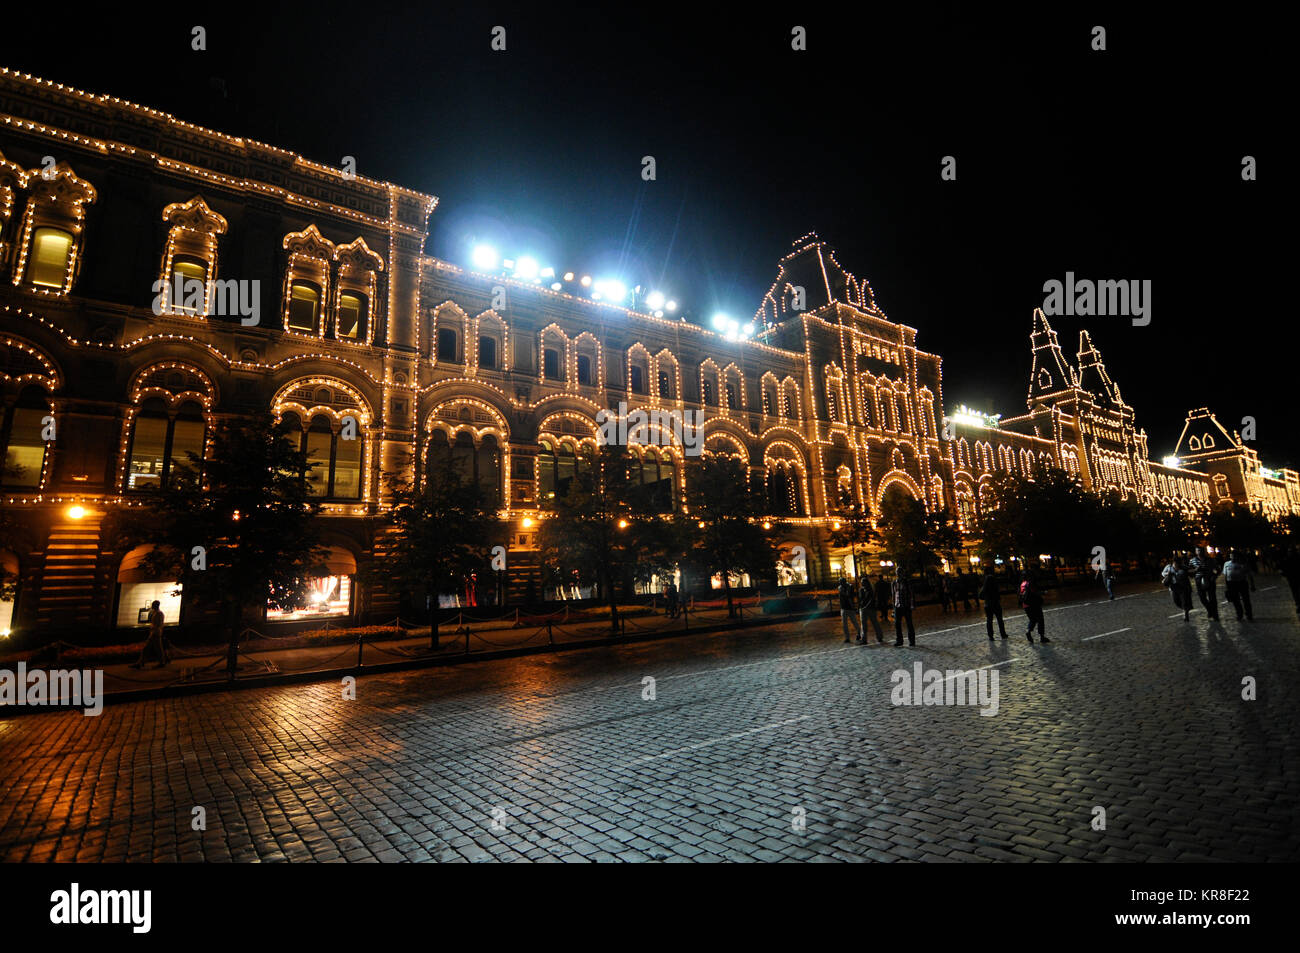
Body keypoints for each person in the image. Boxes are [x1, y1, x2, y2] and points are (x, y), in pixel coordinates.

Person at [131, 600, 169, 669]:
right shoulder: (157, 613)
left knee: (150, 648)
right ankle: (142, 662)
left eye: (153, 604)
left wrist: (153, 629)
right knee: (156, 649)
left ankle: (141, 663)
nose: (152, 606)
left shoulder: (159, 614)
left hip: (155, 633)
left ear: (156, 605)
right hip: (155, 633)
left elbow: (158, 624)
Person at [1222, 551, 1254, 621]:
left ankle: (1249, 615)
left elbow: (1249, 575)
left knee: (1246, 600)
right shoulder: (1226, 564)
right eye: (1231, 556)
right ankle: (1239, 614)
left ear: (1238, 556)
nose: (1232, 558)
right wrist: (1226, 586)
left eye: (1234, 556)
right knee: (1235, 601)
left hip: (1242, 583)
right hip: (1231, 584)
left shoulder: (1243, 564)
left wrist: (1252, 584)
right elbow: (1225, 575)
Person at [1190, 546, 1220, 620]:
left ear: (1204, 551)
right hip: (1199, 580)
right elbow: (1189, 571)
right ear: (1196, 552)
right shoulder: (1192, 560)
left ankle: (1215, 615)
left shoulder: (1210, 560)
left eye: (1201, 550)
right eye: (1198, 550)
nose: (1199, 552)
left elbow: (1217, 569)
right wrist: (1196, 570)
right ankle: (1209, 610)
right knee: (1202, 598)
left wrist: (1214, 576)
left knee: (1212, 598)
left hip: (1209, 579)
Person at [1019, 572, 1049, 644]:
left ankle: (1028, 631)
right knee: (1040, 620)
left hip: (1026, 605)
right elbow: (1035, 593)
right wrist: (1043, 593)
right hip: (1034, 604)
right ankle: (1042, 637)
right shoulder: (1030, 583)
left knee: (1032, 619)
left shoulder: (1022, 584)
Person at [892, 568, 916, 646]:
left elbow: (911, 594)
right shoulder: (894, 583)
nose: (898, 574)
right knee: (897, 624)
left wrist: (912, 605)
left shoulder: (907, 582)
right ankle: (899, 640)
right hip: (897, 605)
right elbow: (893, 595)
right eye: (897, 572)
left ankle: (912, 641)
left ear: (902, 573)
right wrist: (893, 607)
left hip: (906, 605)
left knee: (909, 624)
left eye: (900, 572)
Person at [857, 573, 884, 643]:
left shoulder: (871, 589)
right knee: (863, 624)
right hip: (863, 609)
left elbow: (872, 599)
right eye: (862, 583)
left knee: (875, 622)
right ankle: (864, 639)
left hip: (870, 608)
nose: (862, 584)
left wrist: (866, 606)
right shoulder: (861, 590)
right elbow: (860, 599)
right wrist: (860, 607)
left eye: (863, 583)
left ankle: (879, 637)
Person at [980, 571, 1007, 640]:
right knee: (999, 620)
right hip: (995, 604)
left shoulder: (984, 587)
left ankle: (990, 635)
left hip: (987, 605)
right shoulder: (995, 587)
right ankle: (1003, 634)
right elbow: (998, 596)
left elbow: (980, 596)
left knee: (989, 620)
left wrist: (986, 598)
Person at [838, 576, 861, 643]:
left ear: (844, 581)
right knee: (845, 624)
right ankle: (847, 637)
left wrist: (853, 606)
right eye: (840, 582)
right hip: (844, 607)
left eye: (841, 582)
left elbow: (848, 595)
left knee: (854, 622)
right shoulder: (841, 587)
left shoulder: (849, 586)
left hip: (849, 607)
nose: (840, 583)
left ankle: (859, 633)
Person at [1171, 557, 1193, 621]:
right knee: (1176, 601)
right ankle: (1185, 609)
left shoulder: (1184, 568)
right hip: (1175, 587)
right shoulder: (1170, 568)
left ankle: (1186, 614)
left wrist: (1192, 571)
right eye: (1175, 562)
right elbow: (1163, 574)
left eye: (1177, 562)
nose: (1176, 564)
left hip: (1184, 588)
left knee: (1184, 601)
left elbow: (1191, 575)